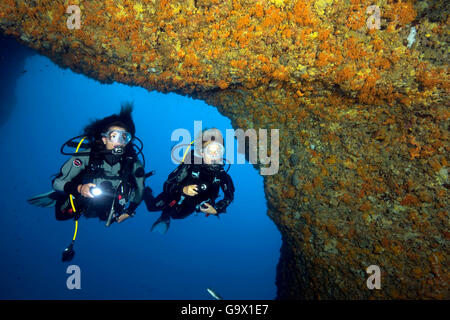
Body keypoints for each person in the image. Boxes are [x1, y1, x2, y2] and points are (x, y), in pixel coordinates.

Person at [28, 103, 145, 226]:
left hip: (108, 203)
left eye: (124, 137)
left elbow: (140, 189)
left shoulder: (134, 164)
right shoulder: (86, 156)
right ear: (104, 139)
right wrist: (79, 188)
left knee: (105, 216)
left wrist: (130, 211)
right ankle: (59, 196)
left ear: (129, 141)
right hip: (81, 196)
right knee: (61, 215)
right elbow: (57, 182)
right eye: (113, 136)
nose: (119, 142)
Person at [144, 128, 235, 233]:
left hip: (191, 206)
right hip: (173, 196)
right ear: (201, 153)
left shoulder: (222, 175)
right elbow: (168, 184)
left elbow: (230, 196)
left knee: (177, 216)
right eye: (210, 151)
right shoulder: (190, 165)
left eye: (219, 151)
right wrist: (183, 189)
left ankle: (165, 218)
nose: (215, 156)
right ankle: (145, 191)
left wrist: (217, 209)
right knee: (151, 207)